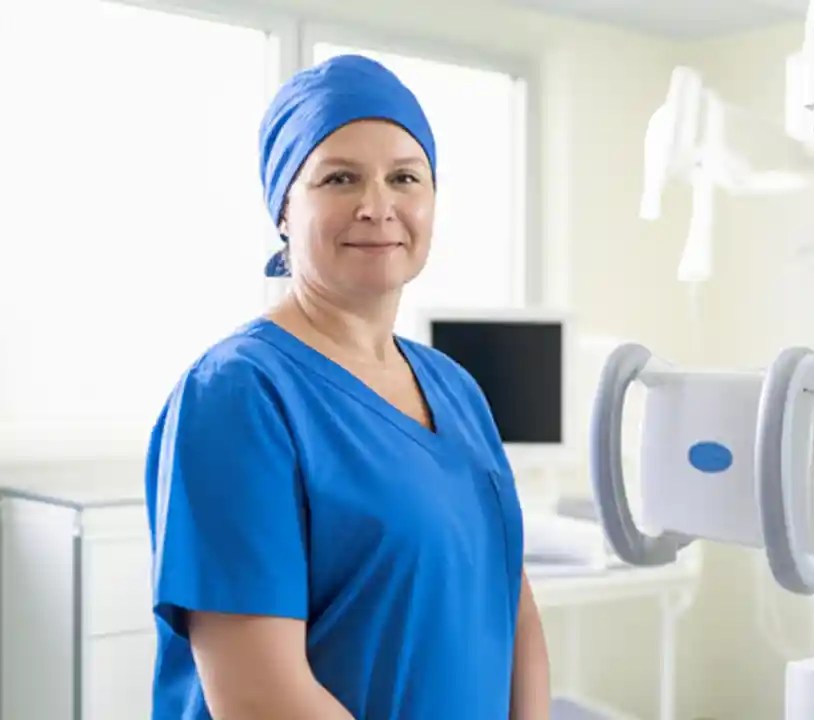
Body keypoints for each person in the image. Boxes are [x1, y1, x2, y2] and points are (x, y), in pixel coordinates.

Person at [143, 54, 550, 719]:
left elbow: (510, 604)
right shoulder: (239, 394)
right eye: (339, 178)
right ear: (282, 210)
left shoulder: (456, 389)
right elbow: (257, 697)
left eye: (404, 177)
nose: (377, 206)